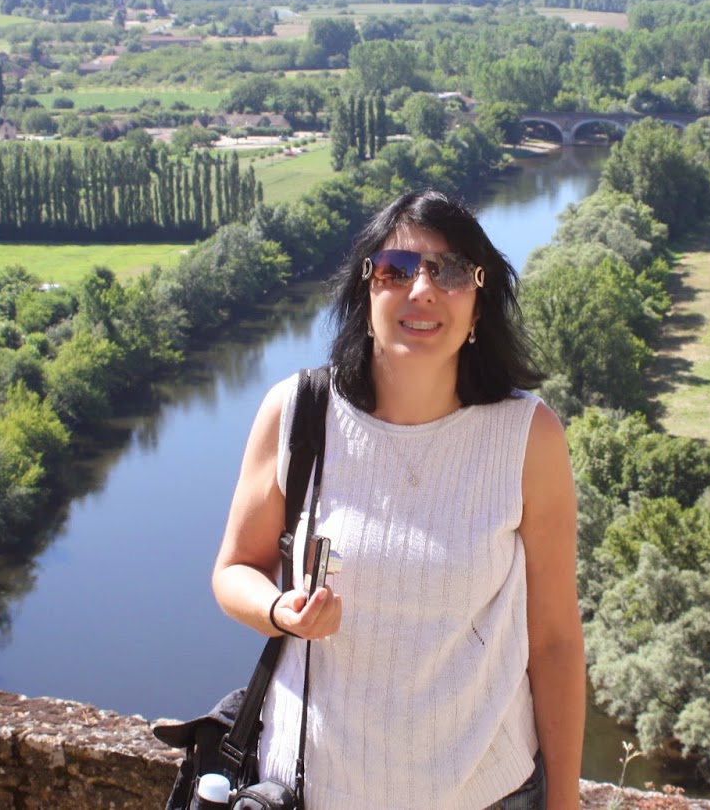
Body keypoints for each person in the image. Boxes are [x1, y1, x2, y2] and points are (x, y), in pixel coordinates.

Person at [213, 188, 585, 810]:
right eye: (397, 269)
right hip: (309, 791)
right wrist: (282, 610)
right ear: (366, 292)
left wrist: (566, 802)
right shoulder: (296, 413)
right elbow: (233, 573)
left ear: (479, 301)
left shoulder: (528, 437)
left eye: (452, 271)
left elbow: (553, 641)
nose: (422, 291)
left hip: (485, 795)